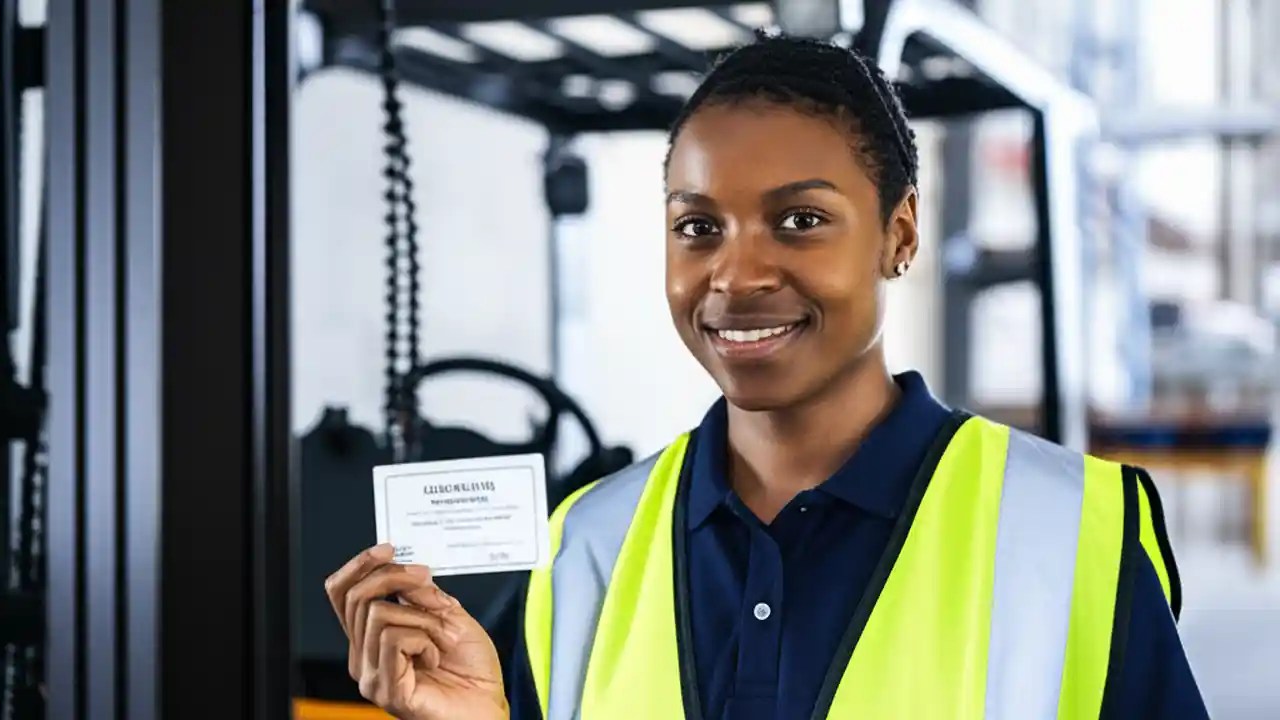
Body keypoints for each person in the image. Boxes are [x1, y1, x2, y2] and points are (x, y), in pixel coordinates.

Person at [323, 35, 1209, 720]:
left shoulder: (1073, 532)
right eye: (698, 227)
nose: (736, 276)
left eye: (798, 219)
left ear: (900, 234)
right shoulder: (585, 544)